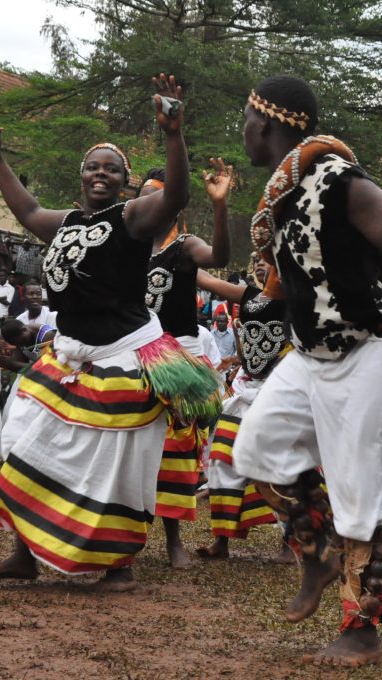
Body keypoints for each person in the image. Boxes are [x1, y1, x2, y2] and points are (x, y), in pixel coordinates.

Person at [0, 74, 217, 592]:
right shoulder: (64, 222)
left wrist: (173, 135)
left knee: (112, 467)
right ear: (81, 175)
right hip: (68, 356)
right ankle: (23, 554)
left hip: (122, 358)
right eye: (92, 166)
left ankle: (119, 566)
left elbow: (176, 196)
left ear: (125, 182)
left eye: (111, 168)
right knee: (24, 442)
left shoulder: (131, 218)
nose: (100, 173)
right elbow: (27, 210)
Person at [229, 75, 382, 667]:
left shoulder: (339, 180)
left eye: (246, 121)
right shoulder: (284, 196)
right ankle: (318, 552)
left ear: (265, 123)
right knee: (256, 448)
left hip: (372, 351)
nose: (243, 132)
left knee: (361, 496)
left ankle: (361, 629)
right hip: (312, 355)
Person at [140, 160, 230, 569]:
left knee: (175, 449)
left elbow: (219, 257)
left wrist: (220, 206)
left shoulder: (185, 247)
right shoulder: (130, 247)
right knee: (130, 444)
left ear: (172, 205)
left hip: (178, 359)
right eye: (141, 200)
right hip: (134, 353)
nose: (146, 206)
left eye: (155, 199)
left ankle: (174, 542)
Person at [195, 257, 292, 562]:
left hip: (281, 391)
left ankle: (292, 543)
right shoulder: (249, 295)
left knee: (282, 466)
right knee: (222, 460)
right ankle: (222, 540)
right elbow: (208, 281)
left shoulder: (297, 297)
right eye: (257, 260)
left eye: (268, 260)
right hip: (245, 390)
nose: (261, 265)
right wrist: (173, 252)